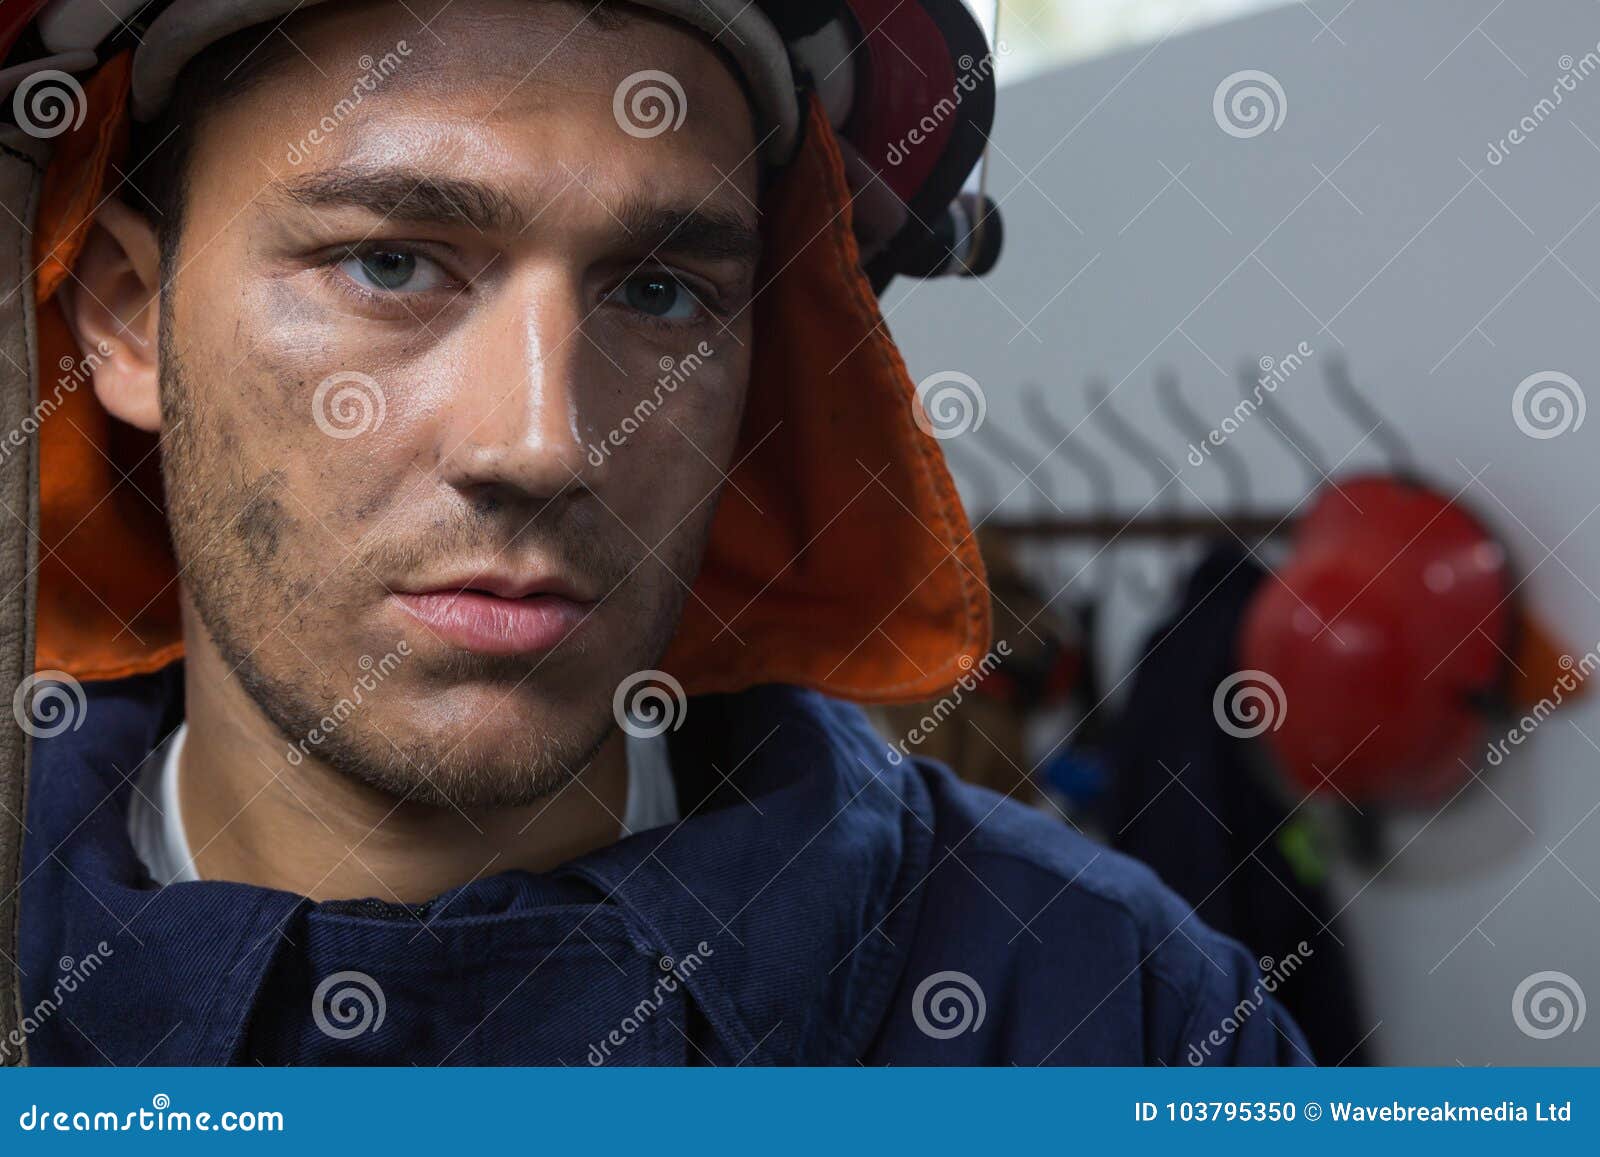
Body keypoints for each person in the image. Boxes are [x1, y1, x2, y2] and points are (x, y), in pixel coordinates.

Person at [2, 0, 1308, 1066]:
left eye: (659, 289)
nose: (545, 443)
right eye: (391, 263)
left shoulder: (1114, 1019)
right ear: (125, 313)